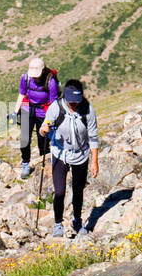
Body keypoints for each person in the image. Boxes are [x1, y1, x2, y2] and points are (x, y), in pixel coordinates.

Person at [39, 79, 99, 237]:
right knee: (59, 192)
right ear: (65, 97)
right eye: (71, 101)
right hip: (60, 153)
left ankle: (77, 221)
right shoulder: (56, 108)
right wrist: (44, 129)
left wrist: (94, 162)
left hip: (81, 154)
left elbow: (93, 137)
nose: (74, 104)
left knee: (78, 190)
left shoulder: (87, 109)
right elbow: (43, 129)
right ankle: (58, 224)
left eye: (76, 101)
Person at [15, 57, 58, 178]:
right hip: (26, 108)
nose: (34, 77)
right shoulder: (26, 78)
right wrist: (15, 112)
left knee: (43, 140)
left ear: (43, 70)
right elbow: (21, 94)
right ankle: (25, 164)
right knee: (24, 139)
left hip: (43, 112)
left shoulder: (51, 82)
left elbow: (53, 104)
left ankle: (46, 164)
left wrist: (49, 122)